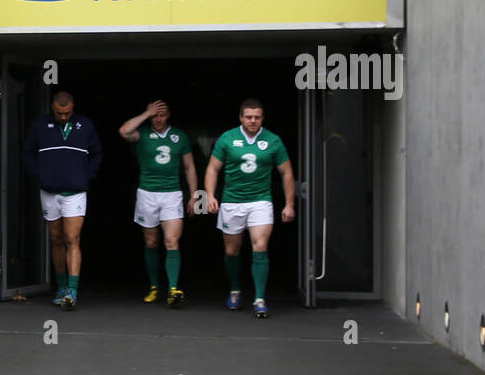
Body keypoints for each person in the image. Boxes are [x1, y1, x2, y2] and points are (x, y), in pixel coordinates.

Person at [202, 98, 296, 318]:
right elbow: (213, 169)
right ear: (241, 118)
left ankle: (260, 298)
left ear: (262, 118)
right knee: (231, 251)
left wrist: (289, 204)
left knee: (260, 246)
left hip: (260, 201)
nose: (253, 121)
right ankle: (235, 290)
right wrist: (209, 195)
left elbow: (287, 173)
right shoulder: (227, 138)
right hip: (232, 201)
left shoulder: (273, 140)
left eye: (257, 117)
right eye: (248, 117)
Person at [22, 90, 102, 310]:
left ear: (73, 107)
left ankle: (73, 290)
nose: (63, 117)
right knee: (56, 238)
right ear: (53, 108)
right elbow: (28, 152)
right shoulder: (40, 125)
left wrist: (87, 174)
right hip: (49, 191)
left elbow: (97, 153)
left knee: (72, 238)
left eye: (67, 113)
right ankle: (62, 286)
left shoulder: (84, 125)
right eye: (59, 113)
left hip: (75, 191)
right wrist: (38, 173)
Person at [120, 99, 198, 309]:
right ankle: (155, 286)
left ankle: (173, 289)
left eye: (162, 115)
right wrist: (146, 114)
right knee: (151, 242)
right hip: (147, 193)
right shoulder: (142, 133)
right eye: (155, 115)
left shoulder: (179, 136)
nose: (158, 119)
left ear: (169, 115)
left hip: (172, 193)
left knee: (172, 241)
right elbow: (124, 131)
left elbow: (190, 167)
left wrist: (194, 195)